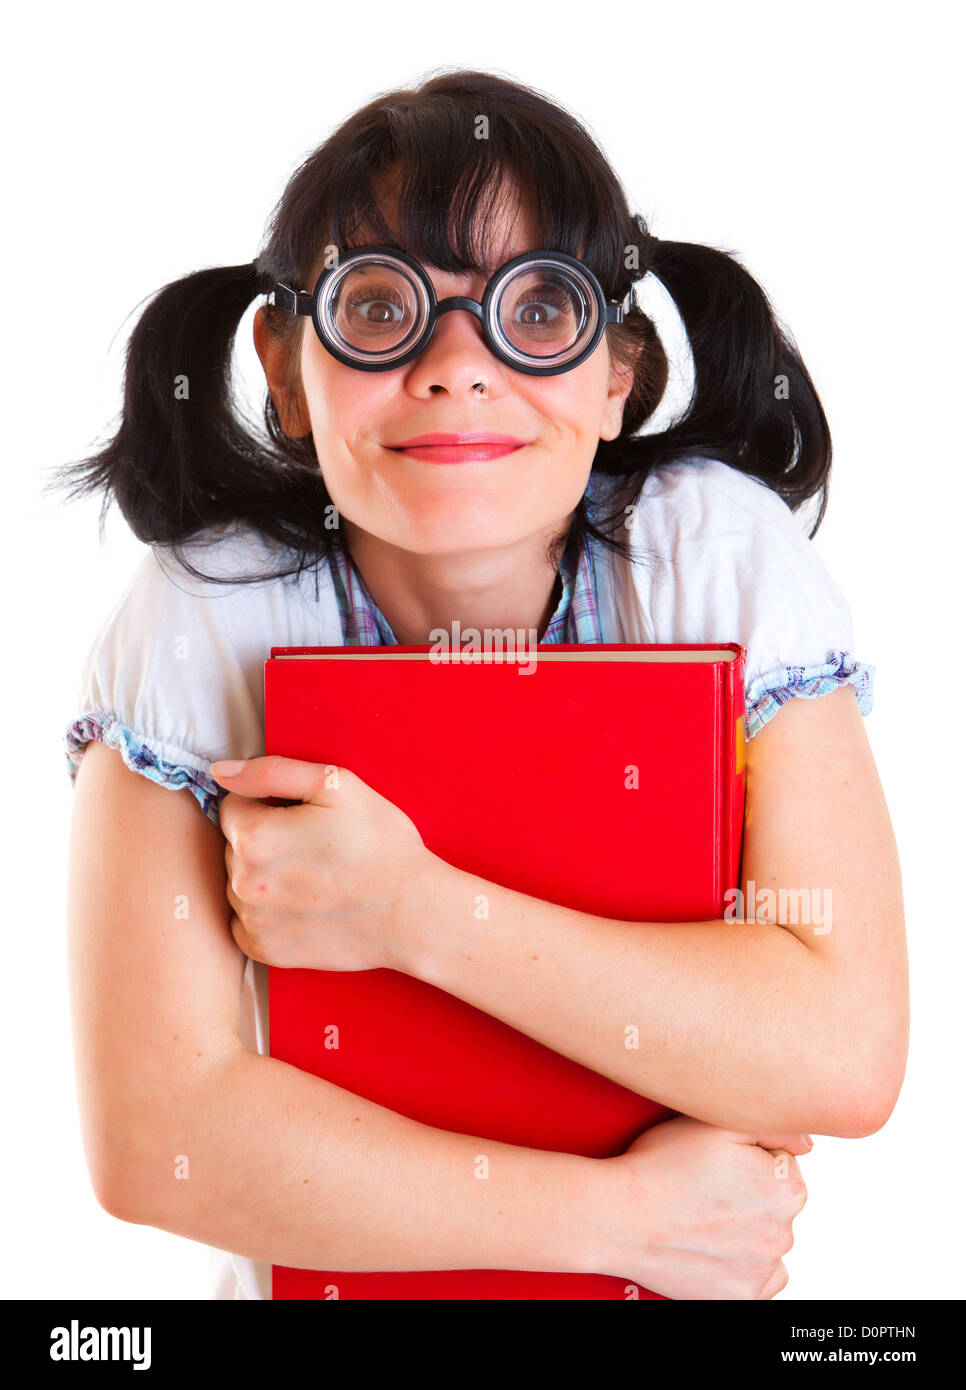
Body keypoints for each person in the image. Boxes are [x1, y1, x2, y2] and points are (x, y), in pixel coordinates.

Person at [52, 68, 908, 1301]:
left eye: (539, 313)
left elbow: (841, 1052)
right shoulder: (204, 611)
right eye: (384, 308)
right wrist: (622, 1221)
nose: (459, 369)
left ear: (617, 373)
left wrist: (415, 912)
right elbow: (157, 1138)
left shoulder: (710, 554)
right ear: (287, 374)